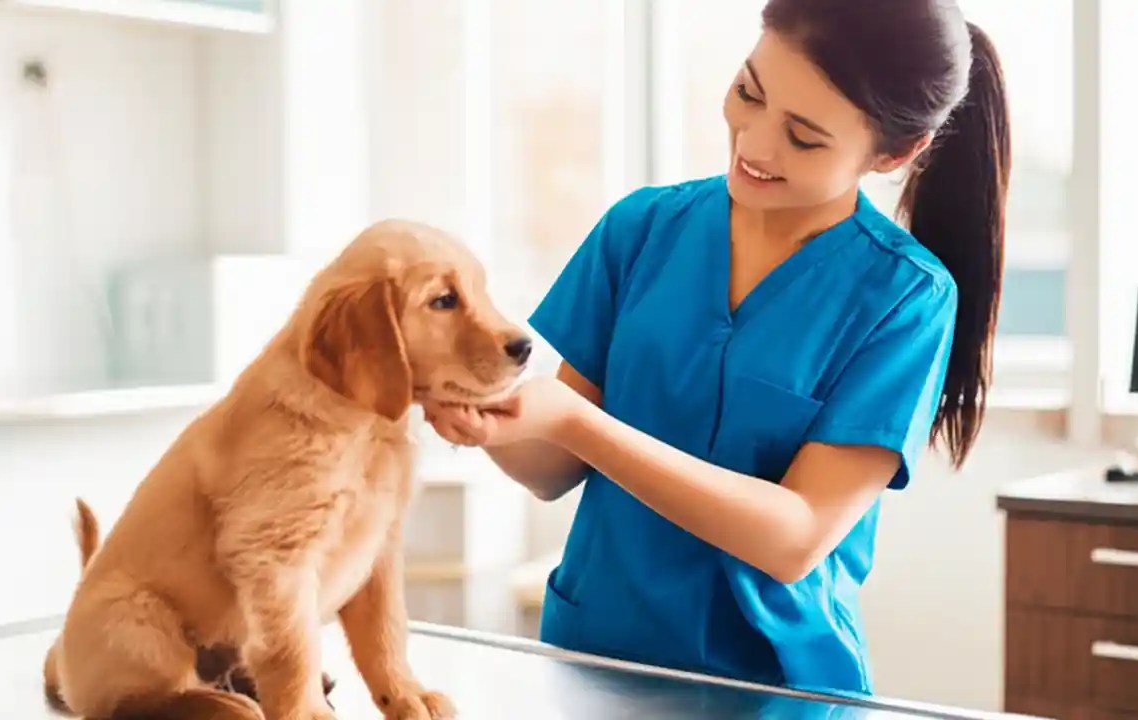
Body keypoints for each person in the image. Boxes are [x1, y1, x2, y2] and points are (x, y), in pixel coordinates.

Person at [423, 0, 1010, 695]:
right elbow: (551, 468)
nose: (755, 145)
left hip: (773, 690)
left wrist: (579, 424)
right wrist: (479, 413)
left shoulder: (906, 298)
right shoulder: (640, 230)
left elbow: (793, 539)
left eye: (803, 136)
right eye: (749, 93)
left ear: (895, 152)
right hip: (596, 661)